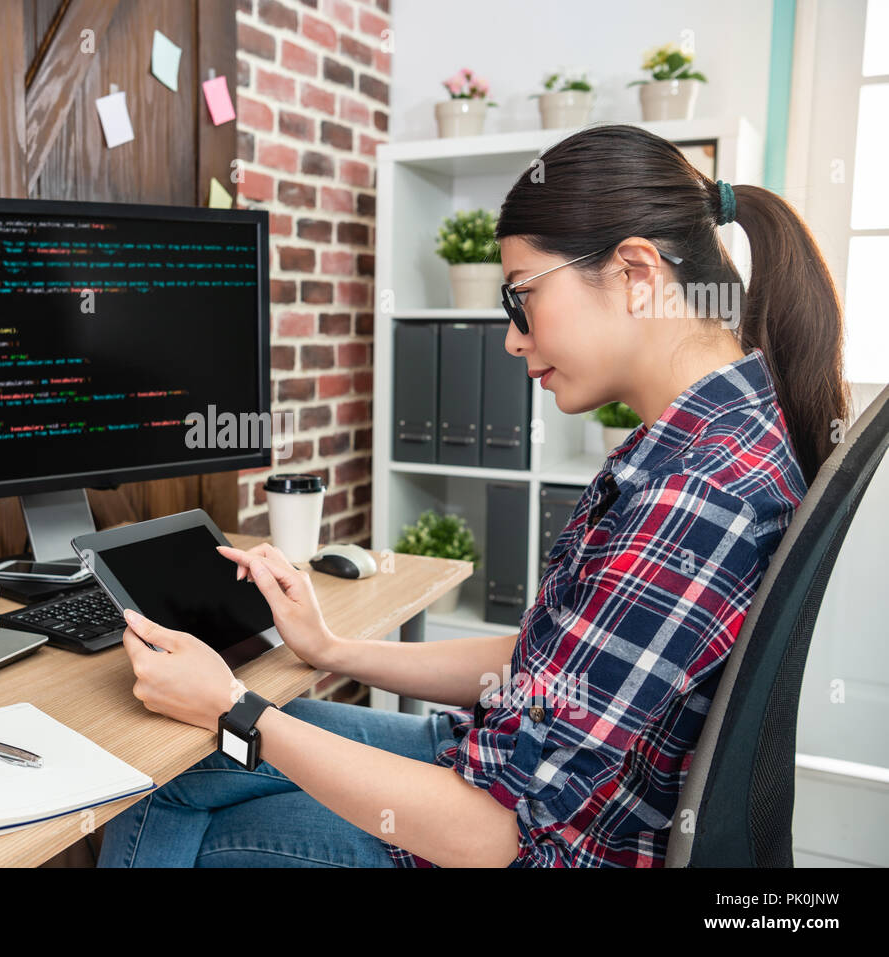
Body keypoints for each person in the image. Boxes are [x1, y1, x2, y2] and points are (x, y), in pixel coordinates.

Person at [96, 123, 850, 867]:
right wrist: (331, 648)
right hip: (494, 758)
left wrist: (233, 705)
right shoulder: (712, 435)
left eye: (522, 297)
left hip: (509, 834)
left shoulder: (695, 492)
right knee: (187, 765)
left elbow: (496, 835)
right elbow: (551, 664)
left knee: (169, 780)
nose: (513, 338)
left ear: (636, 274)